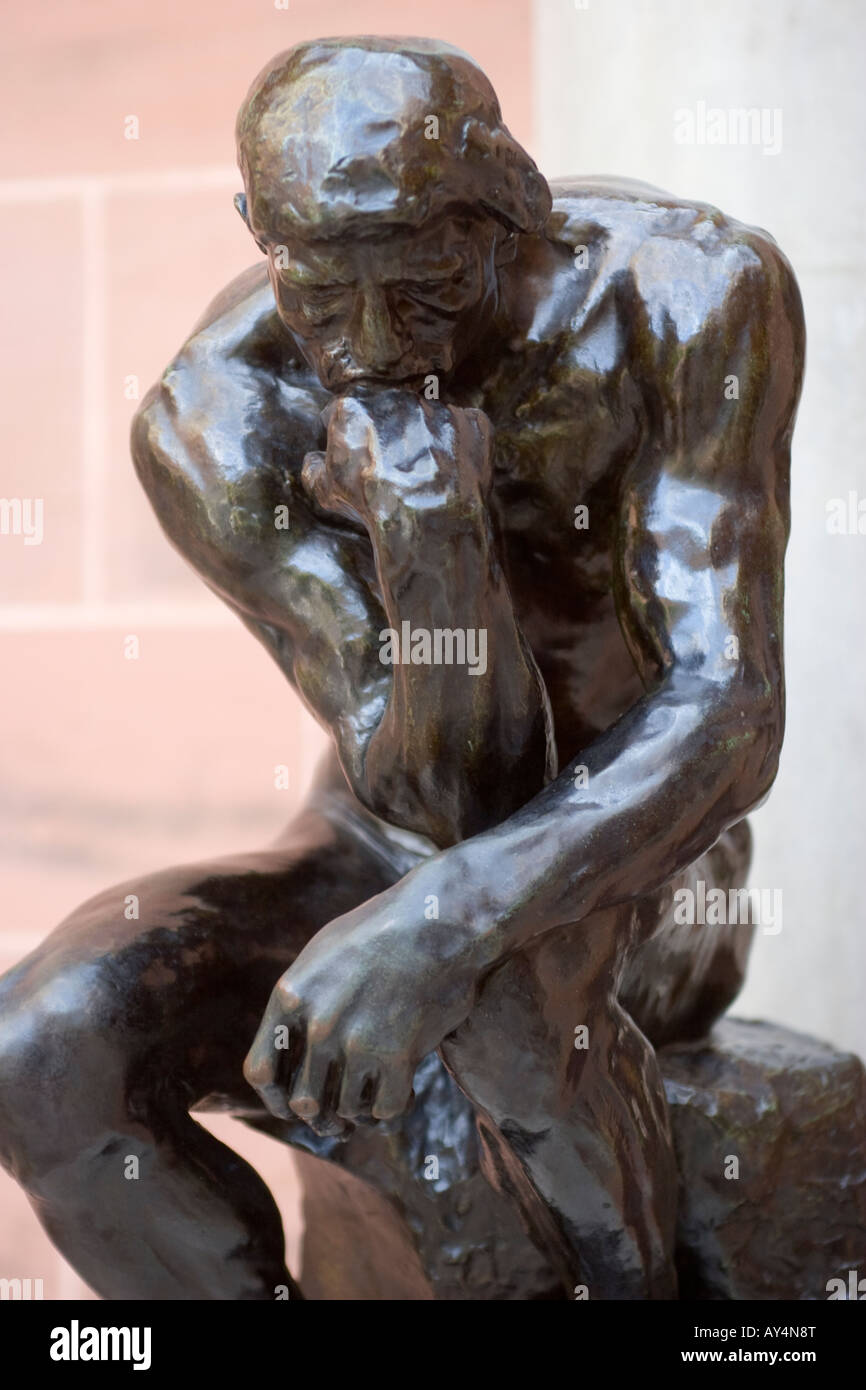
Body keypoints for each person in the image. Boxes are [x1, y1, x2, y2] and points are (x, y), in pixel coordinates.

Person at [0, 36, 804, 1300]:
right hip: (379, 834)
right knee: (41, 1044)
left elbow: (728, 710)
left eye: (426, 293)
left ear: (512, 214)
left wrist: (447, 927)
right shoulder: (215, 415)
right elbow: (431, 799)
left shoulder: (688, 295)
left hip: (640, 840)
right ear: (255, 239)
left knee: (494, 985)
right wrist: (431, 539)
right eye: (325, 303)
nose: (375, 352)